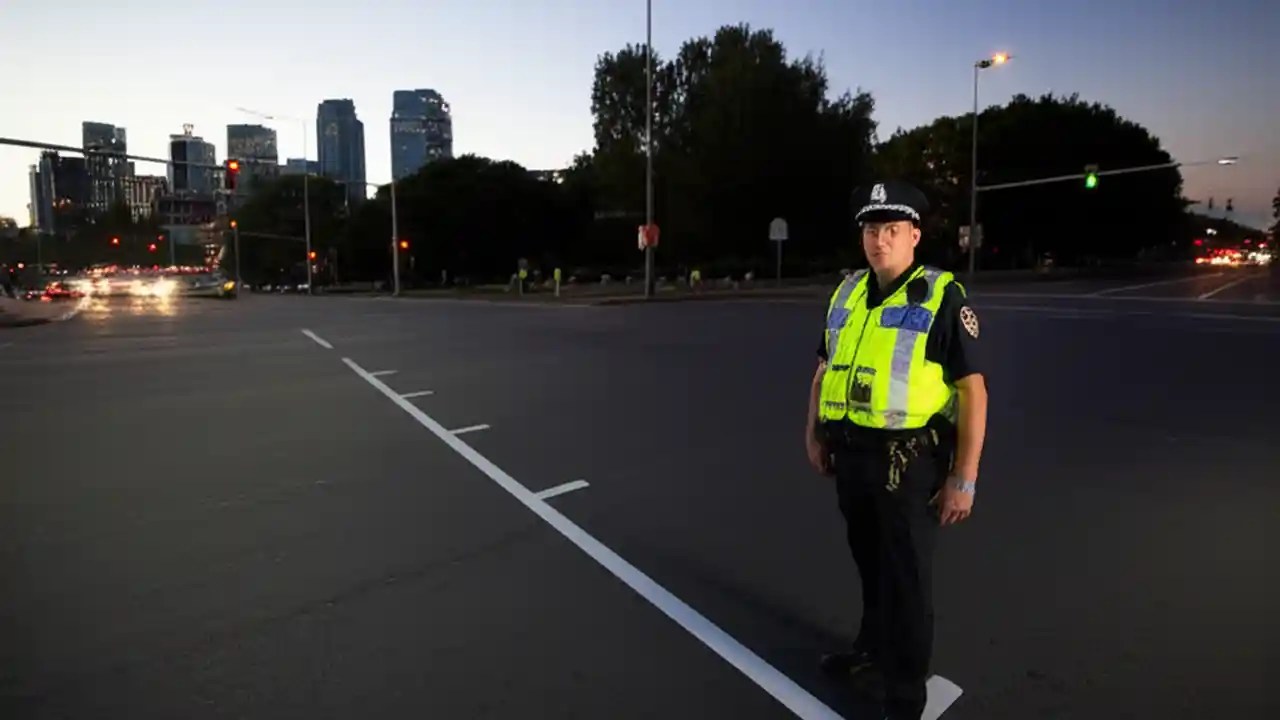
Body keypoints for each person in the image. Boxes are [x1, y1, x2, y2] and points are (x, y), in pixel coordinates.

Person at [805, 180, 988, 720]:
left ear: (913, 235)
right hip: (852, 458)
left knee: (906, 580)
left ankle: (905, 695)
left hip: (908, 465)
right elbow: (822, 369)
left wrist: (965, 477)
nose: (878, 240)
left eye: (890, 230)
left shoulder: (940, 295)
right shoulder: (847, 293)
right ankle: (870, 653)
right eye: (869, 229)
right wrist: (813, 432)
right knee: (870, 565)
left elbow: (973, 390)